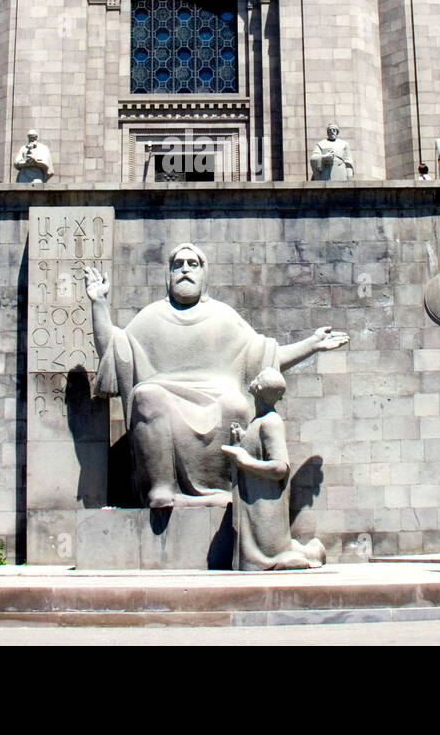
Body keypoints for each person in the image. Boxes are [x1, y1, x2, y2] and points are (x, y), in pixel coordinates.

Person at [85, 244, 348, 509]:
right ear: (169, 274)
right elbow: (115, 353)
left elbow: (264, 357)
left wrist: (311, 345)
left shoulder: (223, 317)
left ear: (204, 274)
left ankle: (219, 489)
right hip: (163, 404)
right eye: (179, 264)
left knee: (234, 403)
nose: (185, 269)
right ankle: (161, 489)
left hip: (216, 403)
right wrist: (98, 304)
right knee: (146, 396)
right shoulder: (151, 317)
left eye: (193, 264)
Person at [222, 368, 326, 571]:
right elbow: (257, 450)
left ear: (259, 389)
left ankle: (312, 553)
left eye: (258, 378)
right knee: (255, 557)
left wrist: (243, 460)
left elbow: (280, 467)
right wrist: (240, 439)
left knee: (266, 556)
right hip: (254, 505)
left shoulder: (271, 422)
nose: (253, 379)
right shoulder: (257, 421)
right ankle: (303, 550)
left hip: (265, 510)